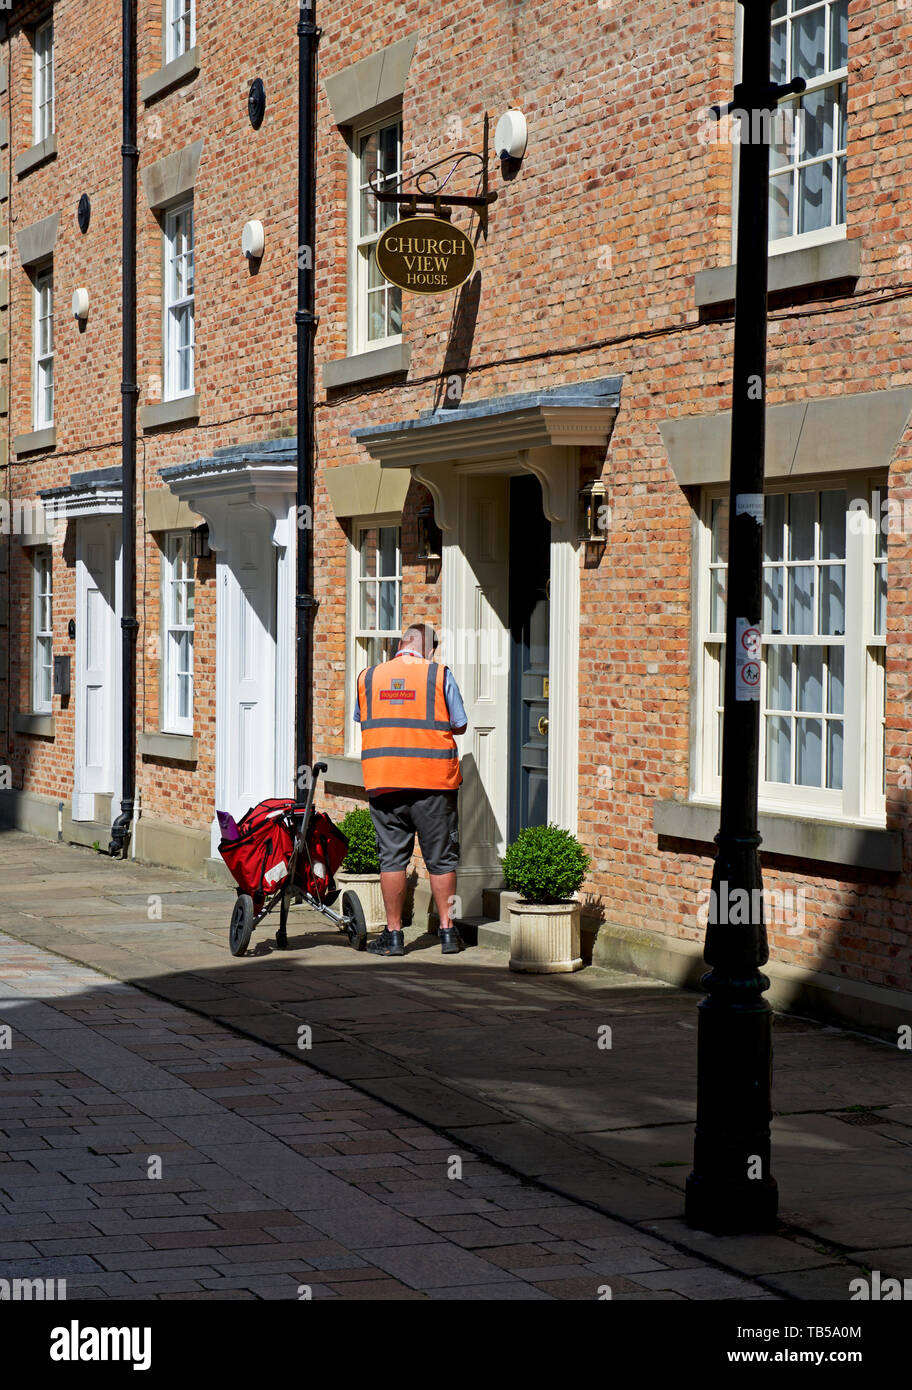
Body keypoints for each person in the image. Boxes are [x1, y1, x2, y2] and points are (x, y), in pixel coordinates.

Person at [354, 622, 467, 957]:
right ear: (429, 648)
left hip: (384, 782)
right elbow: (459, 724)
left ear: (401, 644)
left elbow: (364, 719)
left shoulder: (368, 676)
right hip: (433, 783)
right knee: (442, 860)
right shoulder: (439, 674)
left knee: (391, 859)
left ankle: (394, 935)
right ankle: (448, 932)